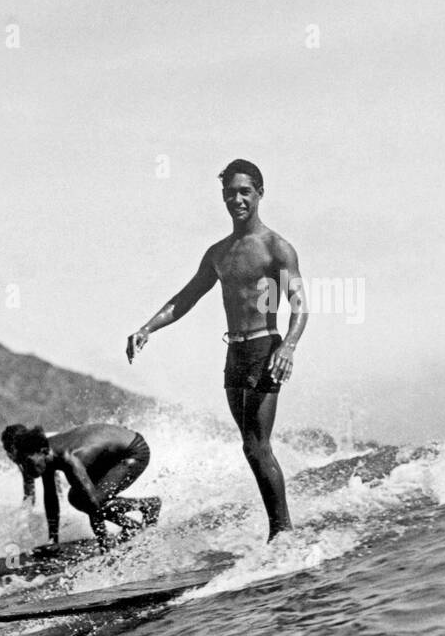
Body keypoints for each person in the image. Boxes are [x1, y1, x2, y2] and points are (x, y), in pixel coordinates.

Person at [125, 158, 308, 540]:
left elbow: (300, 305)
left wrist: (288, 347)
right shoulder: (218, 253)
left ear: (260, 193)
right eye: (230, 193)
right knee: (249, 446)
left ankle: (282, 533)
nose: (237, 199)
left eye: (244, 192)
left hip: (264, 347)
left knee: (257, 445)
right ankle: (279, 530)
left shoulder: (276, 248)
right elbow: (187, 297)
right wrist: (147, 328)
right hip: (234, 353)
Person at [1, 423, 159, 549]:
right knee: (75, 497)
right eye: (22, 464)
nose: (27, 470)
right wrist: (53, 541)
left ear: (42, 452)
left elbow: (94, 505)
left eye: (28, 463)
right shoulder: (45, 454)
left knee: (87, 500)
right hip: (108, 456)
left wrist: (104, 544)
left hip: (133, 452)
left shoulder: (67, 458)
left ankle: (148, 505)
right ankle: (132, 526)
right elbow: (50, 498)